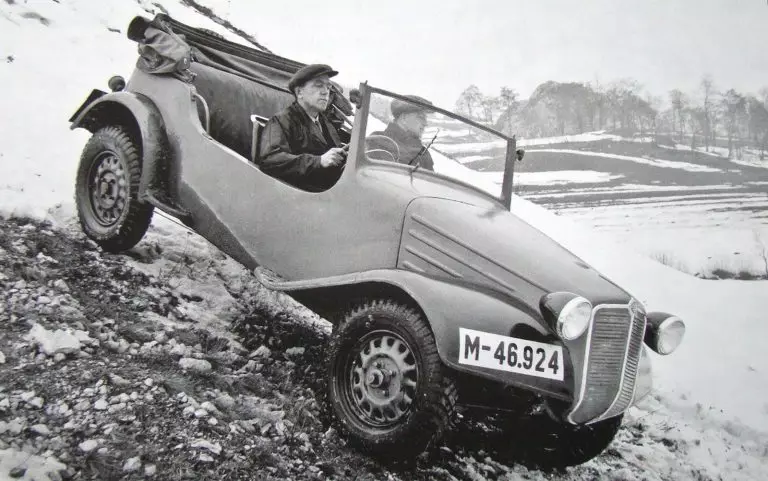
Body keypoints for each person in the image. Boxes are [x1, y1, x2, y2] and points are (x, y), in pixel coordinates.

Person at [258, 64, 348, 192]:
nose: (325, 91)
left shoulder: (325, 122)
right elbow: (270, 159)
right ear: (300, 92)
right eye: (318, 85)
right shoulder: (282, 120)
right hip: (299, 193)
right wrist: (318, 161)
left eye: (328, 87)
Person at [366, 95, 434, 171]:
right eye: (421, 117)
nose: (425, 123)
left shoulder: (424, 153)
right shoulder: (378, 140)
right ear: (404, 118)